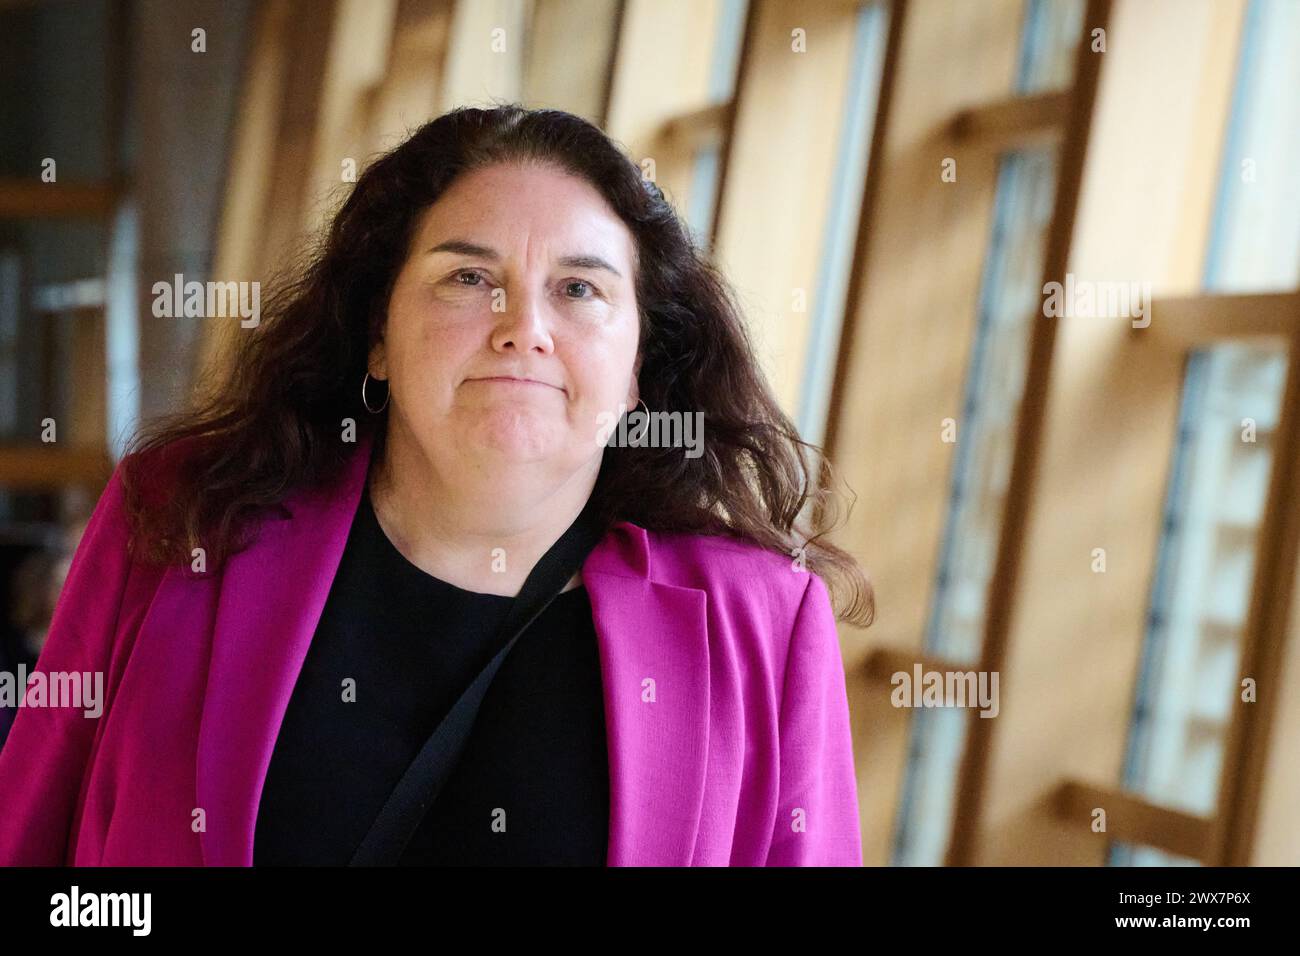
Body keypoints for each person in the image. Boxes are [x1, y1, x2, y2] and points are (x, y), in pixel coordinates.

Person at [0, 104, 873, 866]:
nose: (523, 329)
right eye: (469, 278)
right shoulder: (183, 516)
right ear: (376, 331)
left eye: (578, 288)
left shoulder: (760, 622)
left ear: (640, 365)